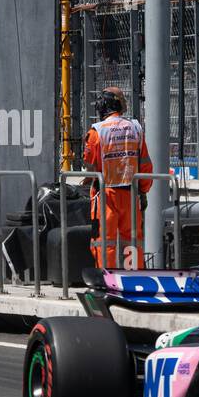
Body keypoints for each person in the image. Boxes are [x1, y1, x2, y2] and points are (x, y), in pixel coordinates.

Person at [83, 86, 153, 269]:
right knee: (132, 239)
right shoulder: (136, 128)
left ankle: (106, 278)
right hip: (131, 194)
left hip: (105, 195)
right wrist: (143, 191)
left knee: (105, 240)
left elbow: (90, 166)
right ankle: (135, 279)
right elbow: (144, 164)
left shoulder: (96, 132)